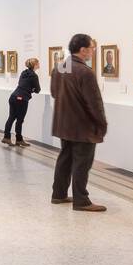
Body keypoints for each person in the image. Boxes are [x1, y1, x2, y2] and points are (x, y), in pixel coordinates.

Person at [50, 33, 108, 212]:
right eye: (91, 48)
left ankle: (58, 194)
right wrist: (102, 124)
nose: (92, 51)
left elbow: (54, 93)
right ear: (82, 50)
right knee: (82, 163)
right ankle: (81, 200)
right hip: (82, 127)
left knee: (65, 159)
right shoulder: (85, 72)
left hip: (63, 124)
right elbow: (94, 102)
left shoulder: (59, 67)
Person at [1, 57, 41, 147]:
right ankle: (18, 140)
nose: (39, 65)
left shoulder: (23, 73)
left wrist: (30, 88)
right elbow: (38, 90)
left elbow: (21, 84)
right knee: (19, 120)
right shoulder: (34, 76)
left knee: (11, 117)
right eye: (38, 63)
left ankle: (6, 137)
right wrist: (32, 89)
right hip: (21, 99)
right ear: (34, 65)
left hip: (13, 96)